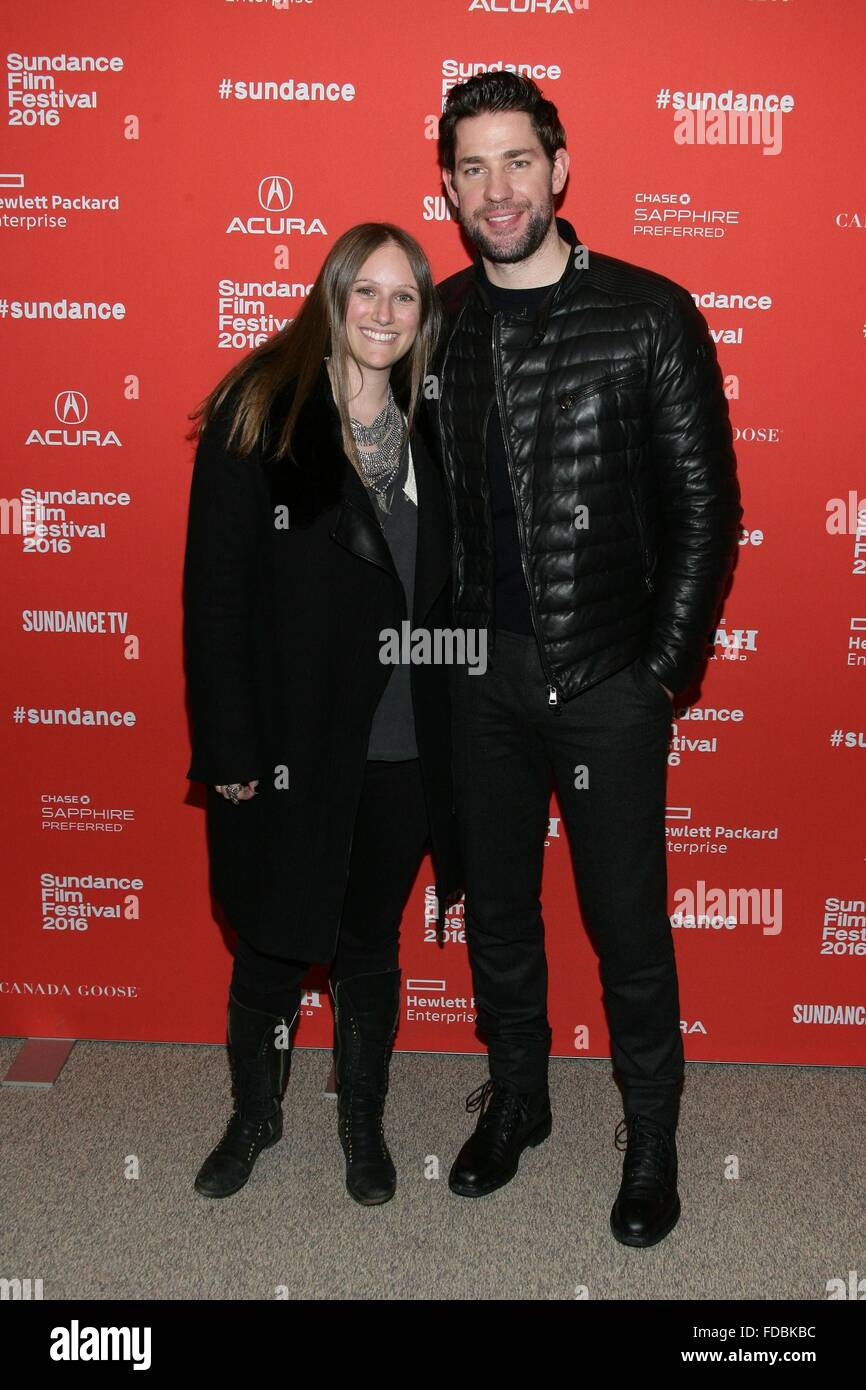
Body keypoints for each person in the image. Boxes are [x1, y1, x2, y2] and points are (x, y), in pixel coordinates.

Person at [433, 72, 743, 1246]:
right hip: (483, 678)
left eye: (516, 161)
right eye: (472, 167)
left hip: (607, 677)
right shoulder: (444, 318)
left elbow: (704, 508)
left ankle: (651, 1131)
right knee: (500, 913)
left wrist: (658, 668)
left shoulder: (647, 312)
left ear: (558, 169)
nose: (496, 187)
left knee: (625, 922)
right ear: (449, 187)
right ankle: (517, 1100)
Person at [182, 223, 462, 1206]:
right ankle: (252, 1115)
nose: (385, 314)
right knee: (269, 937)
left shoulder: (437, 422)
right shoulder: (262, 410)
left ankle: (361, 1125)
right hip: (291, 736)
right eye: (367, 292)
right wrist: (230, 747)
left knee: (367, 939)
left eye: (406, 297)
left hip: (406, 740)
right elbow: (214, 596)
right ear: (331, 296)